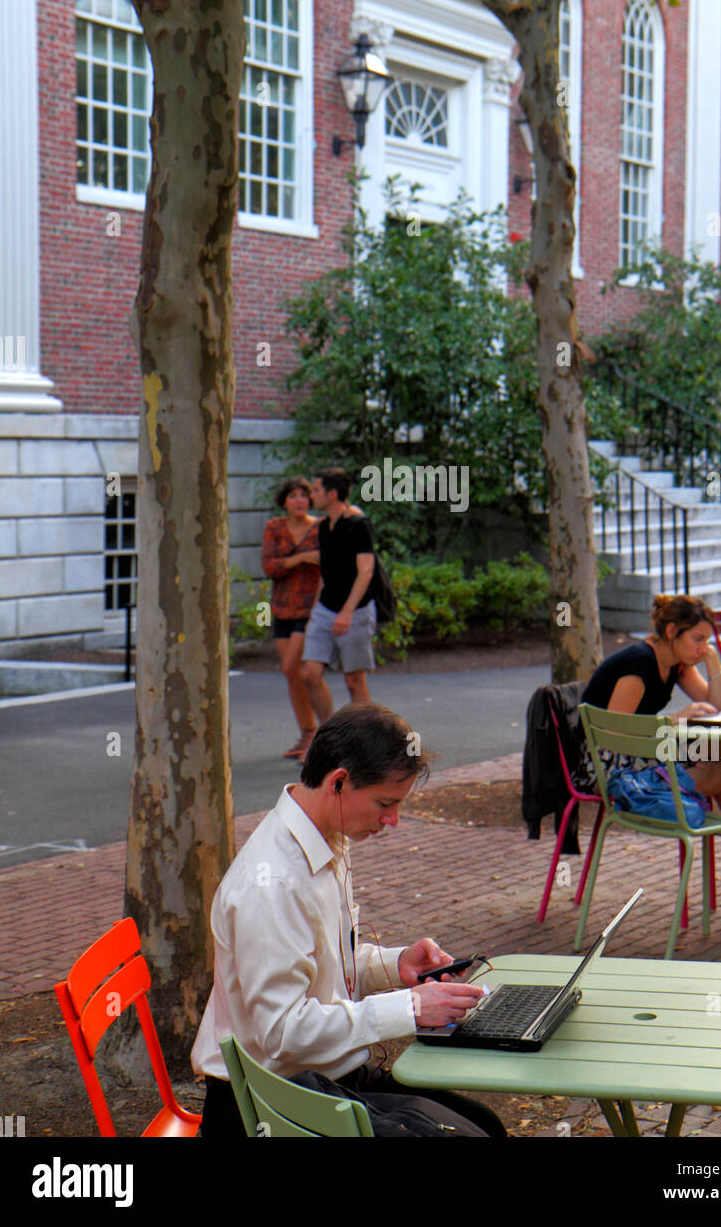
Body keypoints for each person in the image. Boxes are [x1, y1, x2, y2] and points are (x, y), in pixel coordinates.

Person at [191, 703, 505, 1137]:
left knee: (484, 1126)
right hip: (271, 1106)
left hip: (319, 1084)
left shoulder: (325, 837)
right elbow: (283, 1033)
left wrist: (395, 966)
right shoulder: (271, 884)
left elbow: (322, 963)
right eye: (385, 803)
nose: (392, 820)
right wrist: (410, 1009)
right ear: (338, 782)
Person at [582, 594, 721, 867]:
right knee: (716, 771)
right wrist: (674, 720)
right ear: (672, 632)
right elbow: (615, 730)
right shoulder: (639, 664)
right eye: (698, 639)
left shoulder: (676, 664)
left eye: (707, 641)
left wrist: (713, 664)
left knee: (716, 748)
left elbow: (717, 709)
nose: (703, 647)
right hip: (605, 764)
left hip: (637, 752)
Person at [300, 467, 377, 723]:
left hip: (355, 610)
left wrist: (346, 612)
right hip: (324, 608)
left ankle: (364, 740)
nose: (312, 495)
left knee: (354, 680)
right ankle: (330, 735)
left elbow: (365, 572)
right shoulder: (324, 527)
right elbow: (326, 571)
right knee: (310, 673)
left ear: (332, 494)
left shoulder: (358, 525)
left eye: (316, 490)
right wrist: (314, 611)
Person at [260, 477, 321, 761]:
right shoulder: (275, 527)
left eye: (304, 495)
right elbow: (269, 566)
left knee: (295, 668)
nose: (299, 501)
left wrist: (311, 560)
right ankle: (308, 731)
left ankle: (318, 734)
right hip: (282, 606)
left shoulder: (319, 527)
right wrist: (300, 559)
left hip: (311, 608)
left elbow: (326, 563)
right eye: (293, 496)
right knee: (291, 673)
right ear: (284, 501)